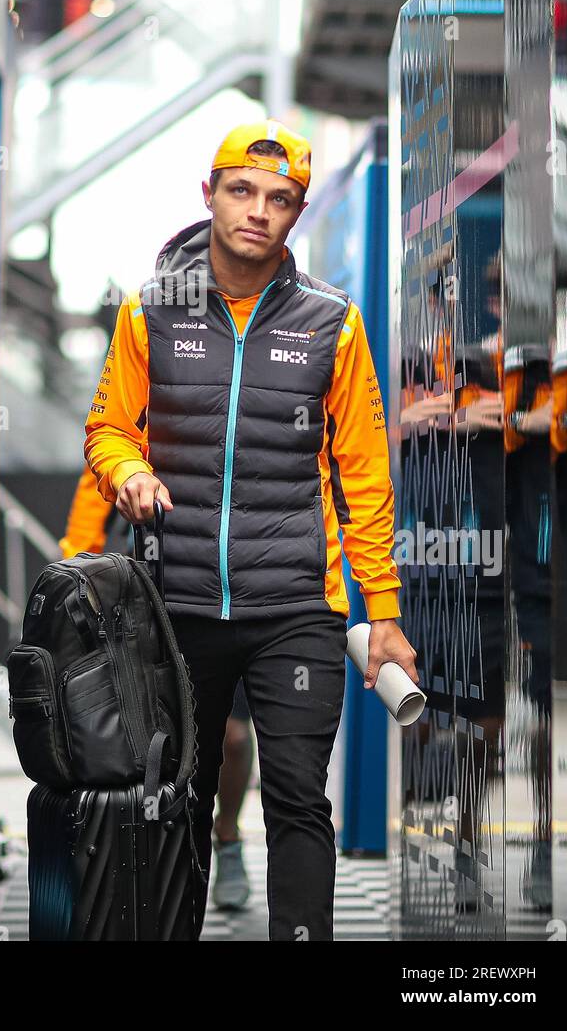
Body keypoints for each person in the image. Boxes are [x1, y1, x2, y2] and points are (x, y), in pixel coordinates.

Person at [84, 118, 419, 941]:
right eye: (242, 191)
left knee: (299, 798)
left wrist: (385, 614)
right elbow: (107, 430)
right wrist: (127, 472)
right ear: (210, 195)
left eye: (280, 199)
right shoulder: (149, 313)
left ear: (296, 215)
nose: (258, 211)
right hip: (179, 607)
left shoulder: (332, 323)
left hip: (297, 611)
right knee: (180, 803)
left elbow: (365, 479)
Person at [59, 465, 253, 910]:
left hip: (240, 598)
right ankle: (157, 857)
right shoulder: (129, 430)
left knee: (235, 737)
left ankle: (228, 837)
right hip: (156, 605)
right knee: (157, 742)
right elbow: (83, 536)